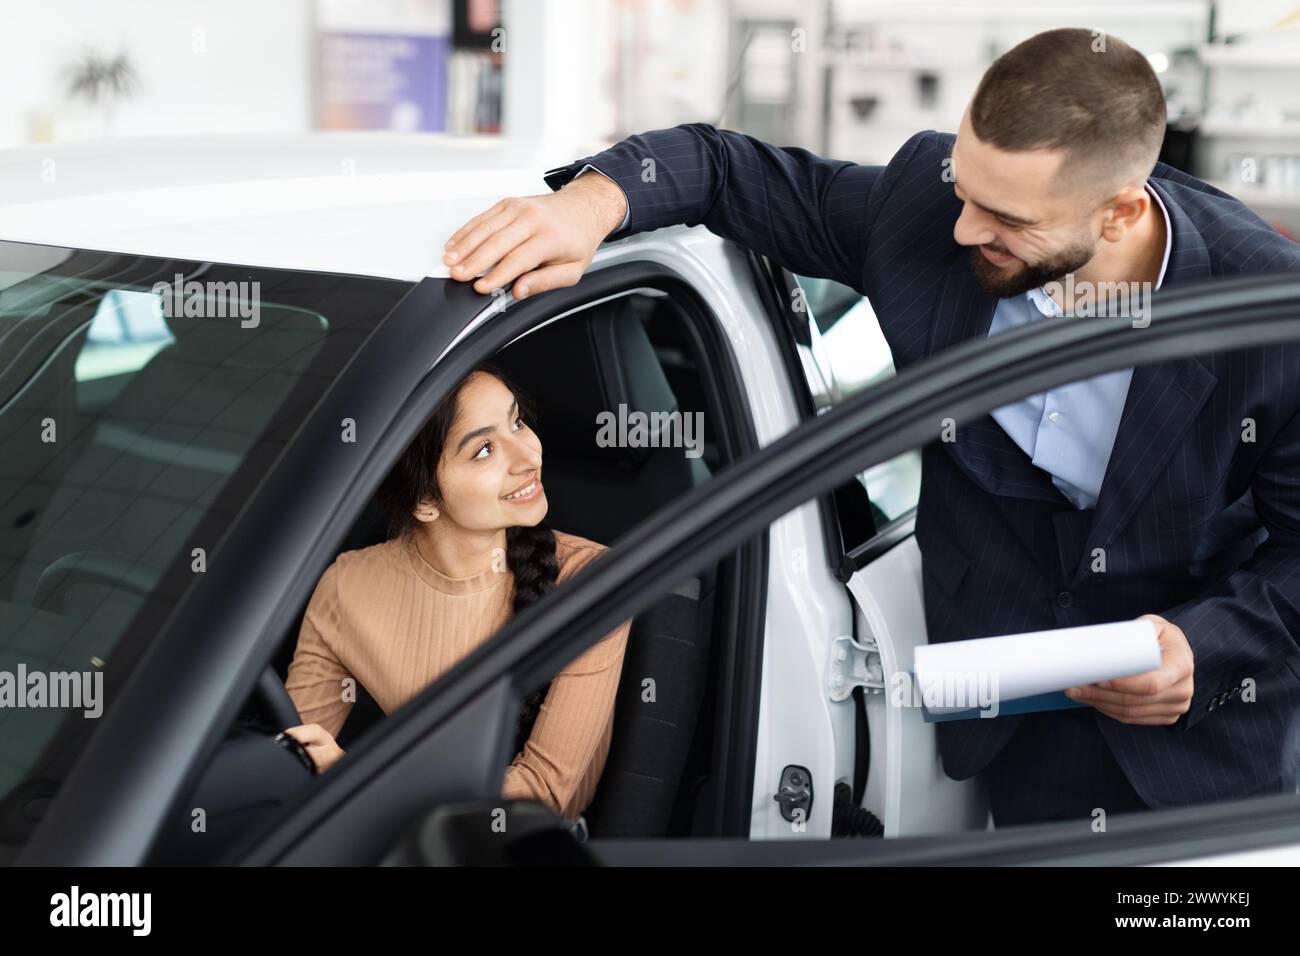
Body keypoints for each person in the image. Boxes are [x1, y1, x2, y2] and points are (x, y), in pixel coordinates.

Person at [439, 27, 1300, 826]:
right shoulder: (929, 214)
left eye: (1007, 220)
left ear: (1119, 213)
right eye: (967, 192)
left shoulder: (1266, 314)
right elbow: (723, 167)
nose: (965, 230)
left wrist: (1204, 648)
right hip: (1014, 718)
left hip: (1207, 743)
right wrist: (589, 207)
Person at [282, 361, 630, 823]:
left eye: (517, 422)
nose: (529, 456)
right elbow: (293, 760)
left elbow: (541, 797)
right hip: (403, 830)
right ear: (424, 502)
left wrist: (360, 784)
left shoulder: (591, 580)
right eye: (484, 449)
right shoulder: (348, 585)